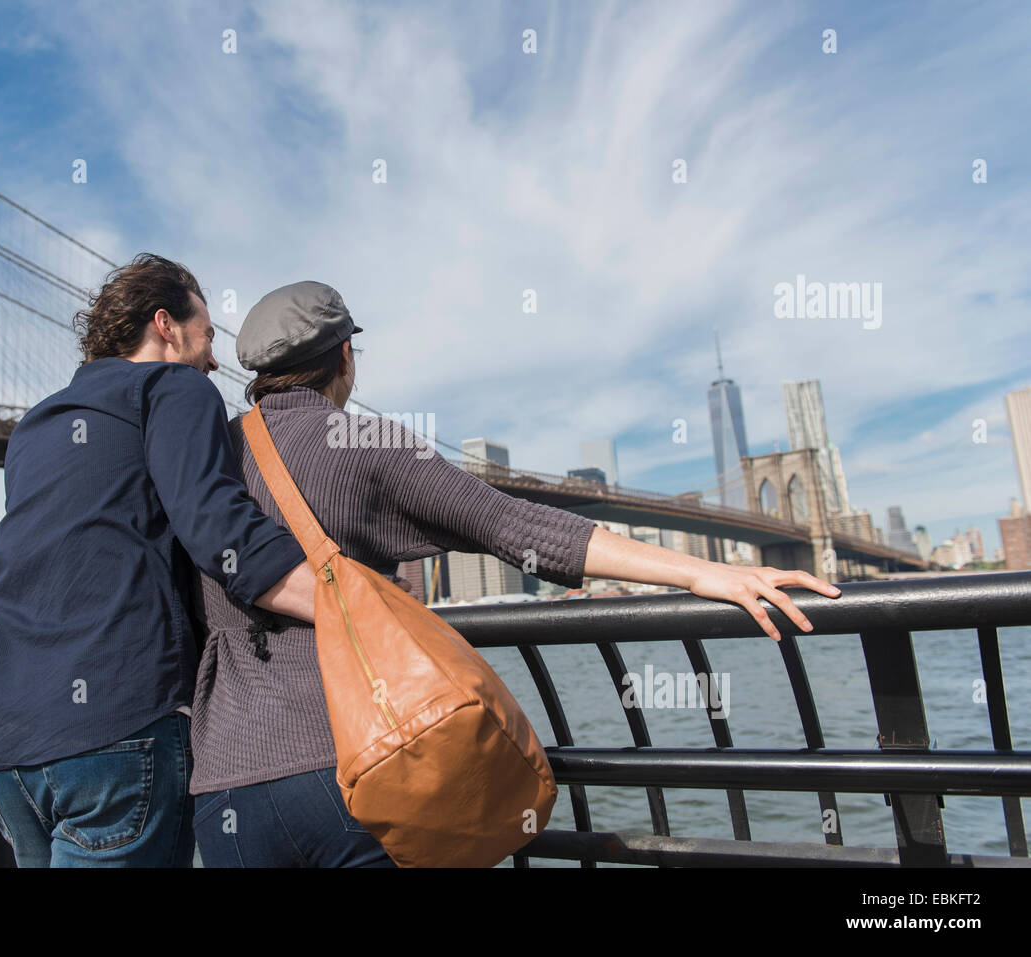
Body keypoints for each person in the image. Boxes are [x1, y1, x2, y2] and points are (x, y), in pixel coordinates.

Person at [187, 280, 842, 868]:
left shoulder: (202, 462)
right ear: (345, 358)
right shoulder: (365, 444)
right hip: (357, 774)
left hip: (224, 795)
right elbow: (521, 530)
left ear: (259, 373)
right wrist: (703, 573)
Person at [0, 254, 317, 867]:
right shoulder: (173, 386)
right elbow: (220, 531)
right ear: (167, 325)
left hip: (9, 753)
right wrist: (353, 601)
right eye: (208, 336)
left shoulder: (35, 424)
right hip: (118, 732)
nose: (215, 358)